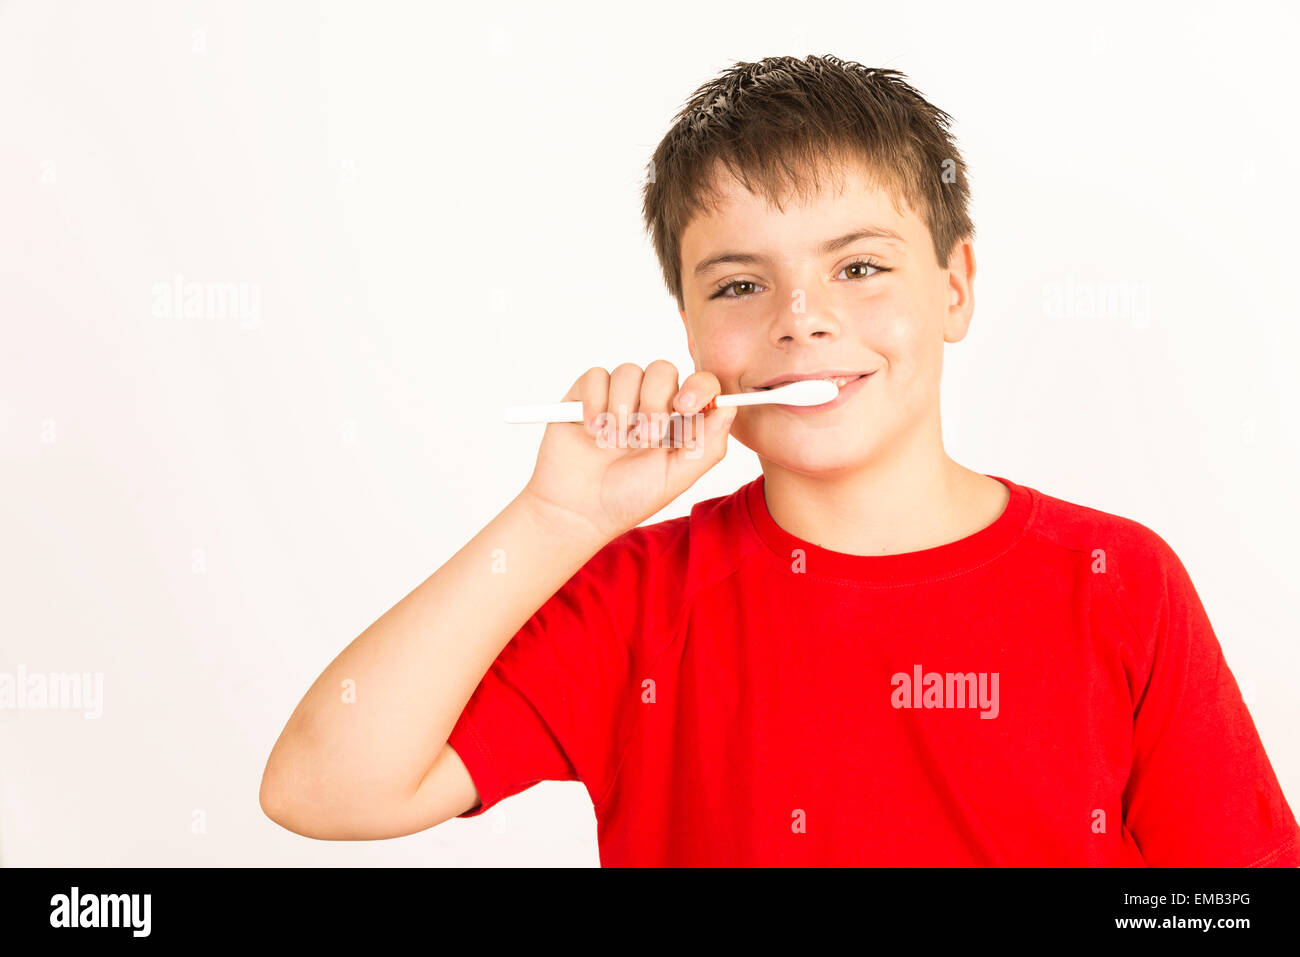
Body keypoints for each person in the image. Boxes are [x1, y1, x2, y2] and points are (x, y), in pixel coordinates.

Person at [260, 54, 1300, 866]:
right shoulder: (629, 600)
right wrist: (556, 520)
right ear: (689, 325)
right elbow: (322, 788)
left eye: (858, 266)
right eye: (739, 285)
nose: (802, 321)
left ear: (953, 288)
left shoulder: (1115, 581)